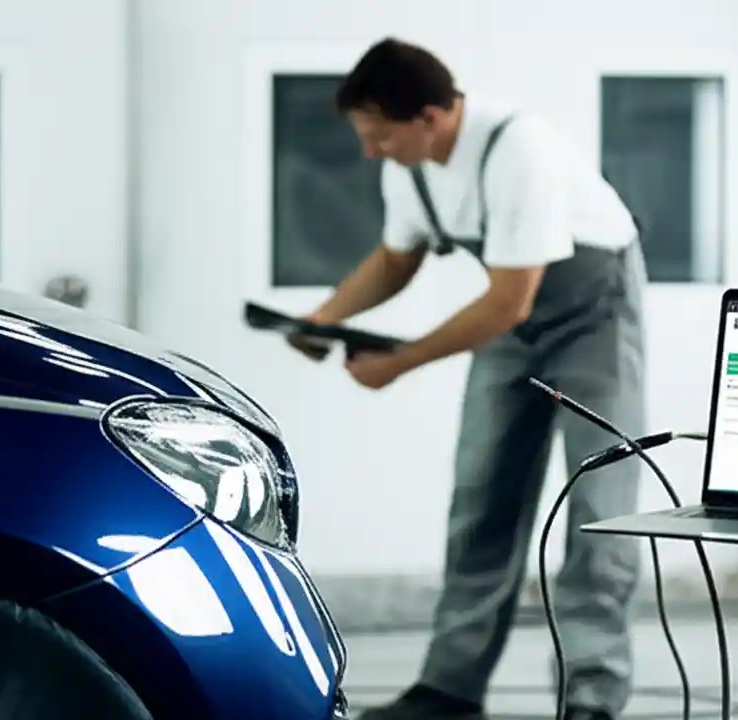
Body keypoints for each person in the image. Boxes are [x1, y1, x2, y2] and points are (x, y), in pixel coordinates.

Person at [289, 38, 647, 720]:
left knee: (601, 508)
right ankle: (449, 689)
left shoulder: (519, 149)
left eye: (379, 135)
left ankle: (592, 696)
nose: (370, 151)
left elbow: (509, 300)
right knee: (481, 497)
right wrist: (324, 317)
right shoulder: (412, 164)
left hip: (594, 313)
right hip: (511, 315)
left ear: (430, 117)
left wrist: (399, 363)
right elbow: (396, 260)